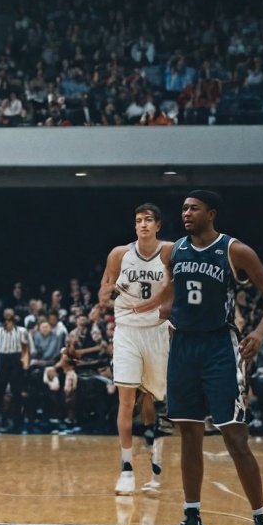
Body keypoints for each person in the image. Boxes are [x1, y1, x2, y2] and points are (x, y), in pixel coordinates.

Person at [143, 192, 263, 525]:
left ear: (211, 214)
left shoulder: (235, 250)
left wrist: (260, 332)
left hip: (220, 347)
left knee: (235, 438)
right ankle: (193, 519)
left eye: (194, 209)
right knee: (188, 436)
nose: (186, 213)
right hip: (183, 348)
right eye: (184, 208)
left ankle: (261, 519)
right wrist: (163, 310)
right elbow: (175, 290)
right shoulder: (174, 251)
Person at [100, 204, 169, 495]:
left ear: (158, 225)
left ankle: (156, 469)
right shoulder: (119, 254)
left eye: (148, 220)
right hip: (127, 331)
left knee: (158, 401)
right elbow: (104, 292)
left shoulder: (170, 252)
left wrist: (154, 304)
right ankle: (126, 469)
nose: (142, 225)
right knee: (126, 400)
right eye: (138, 220)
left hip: (158, 331)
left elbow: (176, 287)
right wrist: (112, 292)